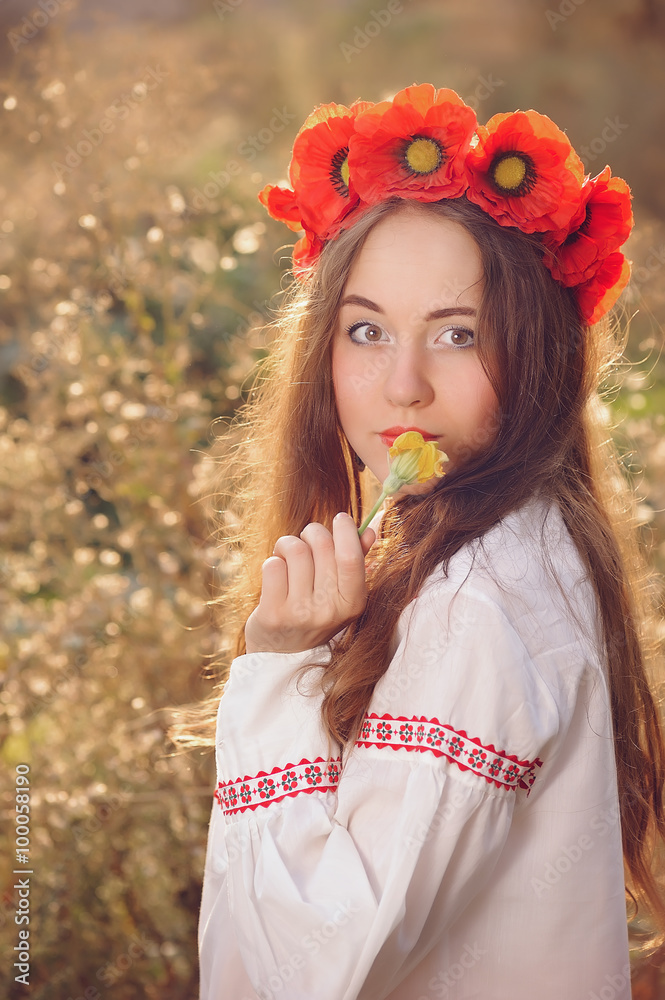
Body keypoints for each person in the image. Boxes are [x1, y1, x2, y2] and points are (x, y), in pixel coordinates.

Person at [188, 83, 665, 998]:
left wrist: (275, 673)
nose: (400, 387)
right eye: (366, 329)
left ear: (537, 353)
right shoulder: (516, 544)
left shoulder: (474, 605)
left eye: (455, 334)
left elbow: (321, 966)